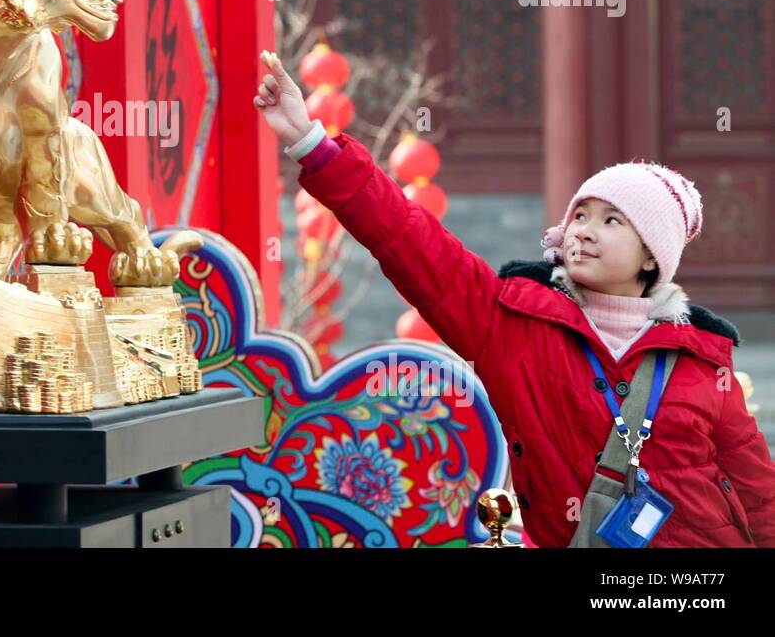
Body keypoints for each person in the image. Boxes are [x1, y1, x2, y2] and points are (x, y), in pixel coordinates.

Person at [254, 49, 775, 547]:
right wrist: (310, 142)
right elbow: (409, 240)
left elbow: (757, 489)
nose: (584, 232)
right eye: (580, 215)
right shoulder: (511, 321)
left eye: (611, 220)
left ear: (650, 256)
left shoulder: (704, 358)